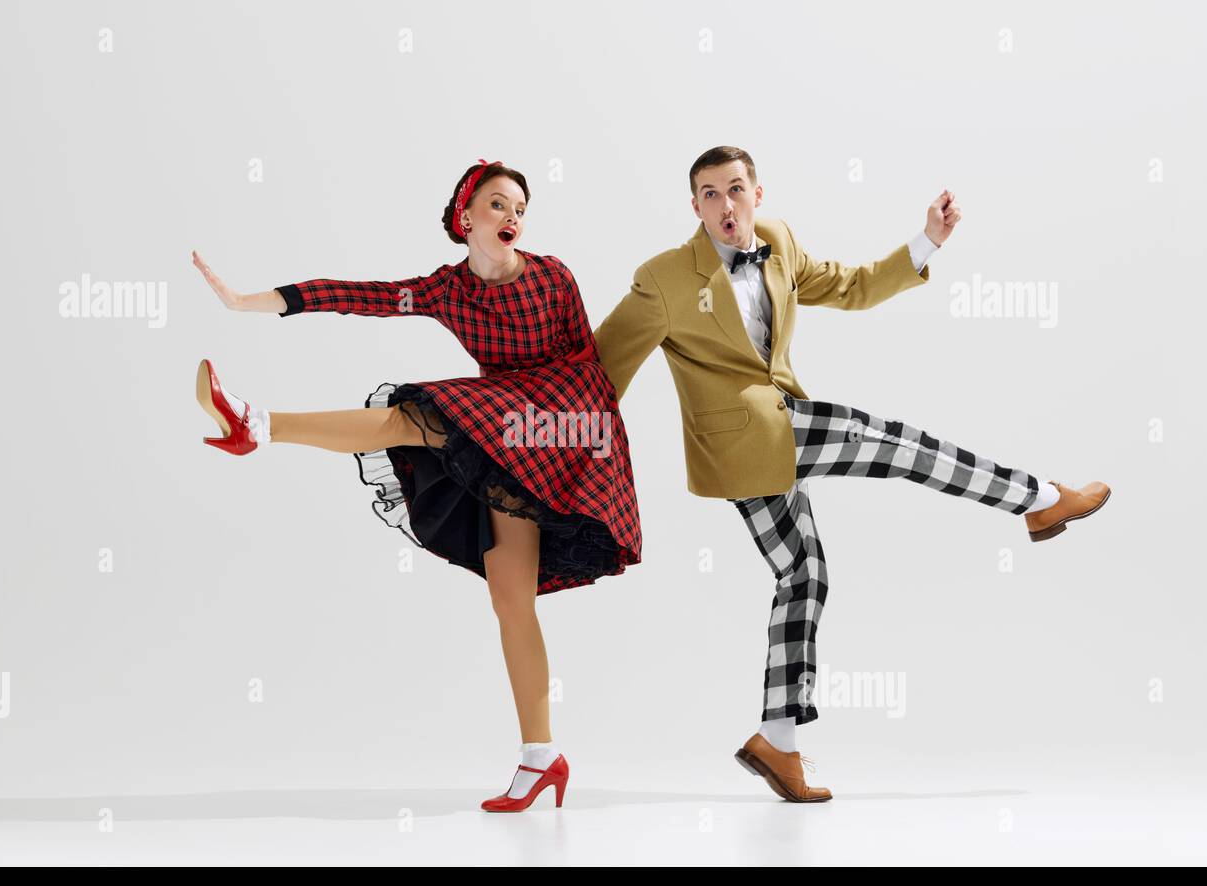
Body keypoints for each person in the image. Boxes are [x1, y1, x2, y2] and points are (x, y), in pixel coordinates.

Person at [593, 145, 1110, 803]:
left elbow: (853, 285)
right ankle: (1038, 498)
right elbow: (604, 367)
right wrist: (548, 437)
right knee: (900, 445)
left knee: (803, 575)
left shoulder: (777, 243)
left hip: (780, 425)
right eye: (709, 194)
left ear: (758, 193)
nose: (725, 206)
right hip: (742, 439)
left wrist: (929, 239)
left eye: (735, 189)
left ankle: (777, 743)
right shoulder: (663, 277)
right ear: (694, 205)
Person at [192, 159, 642, 812]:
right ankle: (542, 756)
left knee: (417, 417)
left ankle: (258, 423)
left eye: (520, 206)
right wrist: (246, 301)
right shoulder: (444, 290)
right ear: (465, 219)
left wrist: (586, 447)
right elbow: (358, 295)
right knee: (511, 600)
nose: (512, 215)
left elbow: (586, 364)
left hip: (559, 418)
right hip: (504, 440)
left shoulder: (553, 275)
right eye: (497, 204)